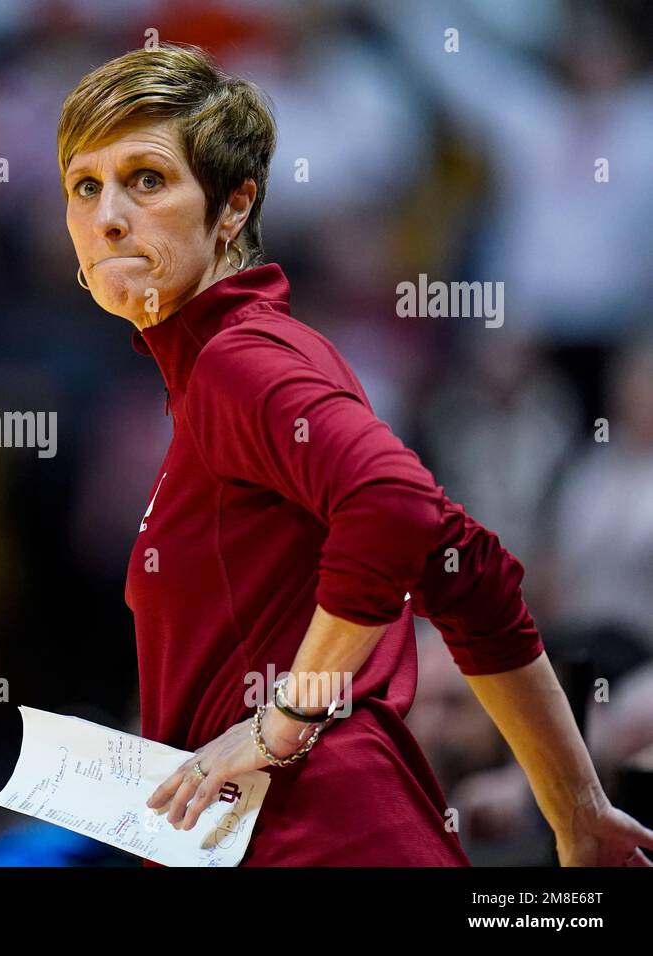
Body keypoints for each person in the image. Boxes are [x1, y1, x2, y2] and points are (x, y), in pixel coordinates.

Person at [57, 43, 653, 866]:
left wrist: (283, 720)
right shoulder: (246, 361)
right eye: (85, 186)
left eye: (147, 179)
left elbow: (395, 509)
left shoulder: (242, 361)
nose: (108, 214)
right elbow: (464, 570)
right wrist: (574, 808)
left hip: (317, 836)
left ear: (233, 207)